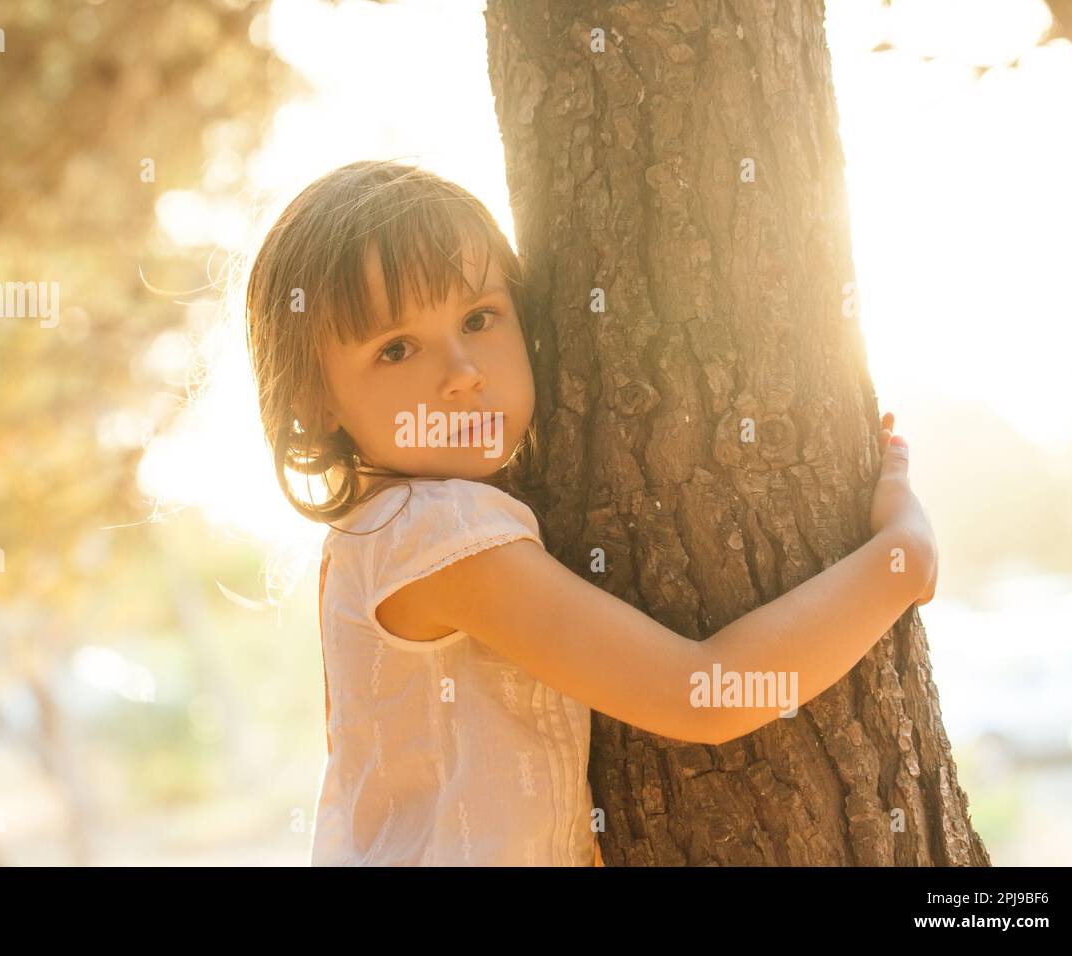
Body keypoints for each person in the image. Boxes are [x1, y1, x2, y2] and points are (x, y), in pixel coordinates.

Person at [242, 159, 937, 866]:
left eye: (479, 318)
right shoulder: (435, 535)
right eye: (396, 349)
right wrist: (900, 561)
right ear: (313, 399)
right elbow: (703, 694)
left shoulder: (375, 536)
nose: (461, 372)